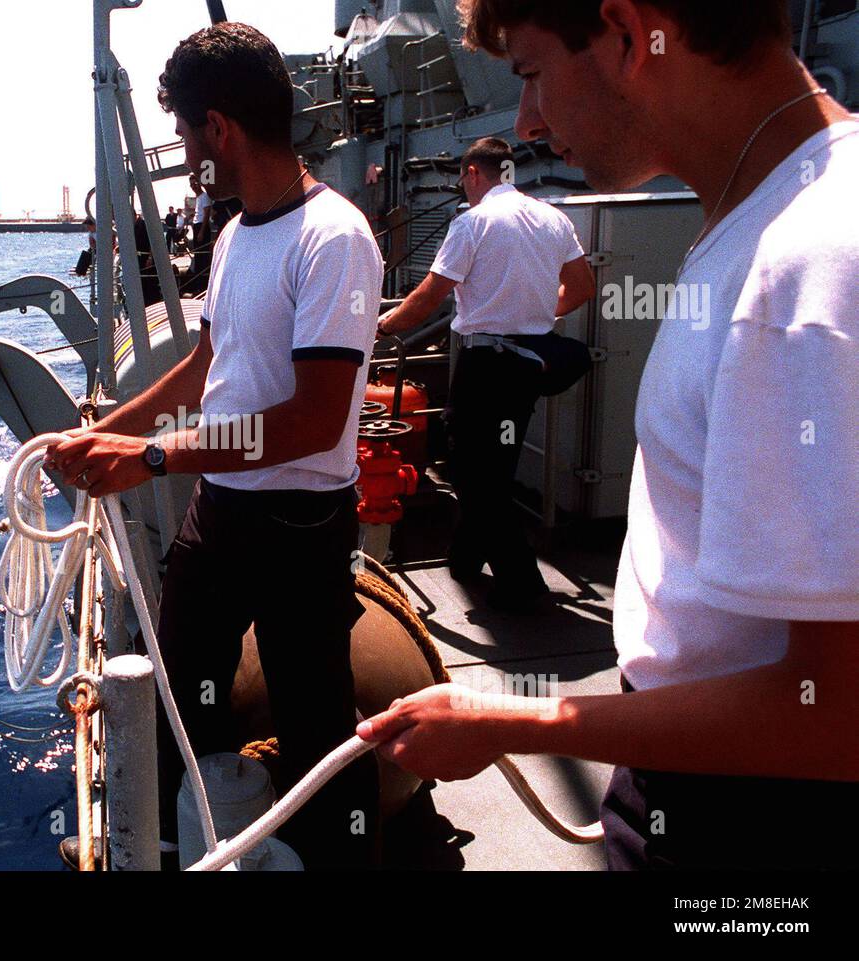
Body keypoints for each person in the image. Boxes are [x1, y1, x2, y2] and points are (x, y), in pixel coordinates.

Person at [359, 0, 859, 871]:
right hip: (698, 768)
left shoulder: (808, 266)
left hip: (749, 829)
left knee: (481, 474)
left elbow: (836, 713)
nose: (529, 121)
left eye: (530, 72)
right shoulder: (763, 219)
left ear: (629, 34)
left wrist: (512, 718)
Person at [46, 22, 383, 870]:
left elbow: (311, 422)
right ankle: (171, 846)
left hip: (303, 530)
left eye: (186, 133)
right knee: (178, 690)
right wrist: (107, 430)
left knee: (318, 726)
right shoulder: (236, 236)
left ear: (219, 131)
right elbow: (206, 365)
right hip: (221, 512)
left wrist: (155, 457)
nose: (186, 151)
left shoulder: (333, 239)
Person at [379, 137, 596, 610]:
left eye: (463, 179)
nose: (464, 187)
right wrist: (536, 316)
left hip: (485, 367)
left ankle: (523, 584)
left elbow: (431, 294)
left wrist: (382, 325)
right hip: (529, 362)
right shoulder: (552, 218)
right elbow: (582, 286)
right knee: (496, 465)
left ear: (475, 173)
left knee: (469, 471)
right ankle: (464, 559)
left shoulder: (472, 223)